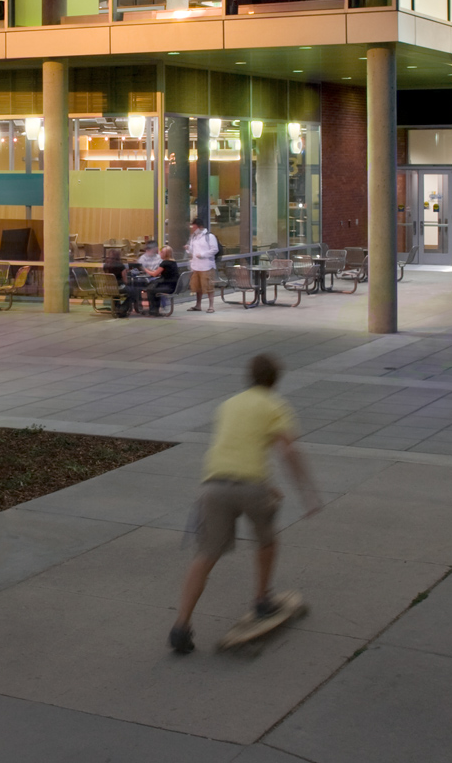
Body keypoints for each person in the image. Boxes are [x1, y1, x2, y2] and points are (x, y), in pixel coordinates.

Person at [170, 354, 321, 654]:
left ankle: (180, 626)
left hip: (213, 486)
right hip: (251, 486)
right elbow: (288, 451)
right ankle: (262, 599)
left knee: (205, 555)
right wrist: (307, 492)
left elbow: (235, 449)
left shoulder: (228, 405)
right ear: (275, 380)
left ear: (249, 377)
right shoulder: (275, 405)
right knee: (267, 540)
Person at [187, 218, 220, 312]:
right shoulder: (194, 237)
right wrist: (188, 248)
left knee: (209, 286)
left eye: (194, 227)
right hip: (196, 266)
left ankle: (211, 306)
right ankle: (198, 305)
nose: (193, 229)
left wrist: (203, 255)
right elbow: (192, 249)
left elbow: (215, 249)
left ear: (200, 227)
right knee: (197, 287)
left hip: (206, 266)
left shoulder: (209, 236)